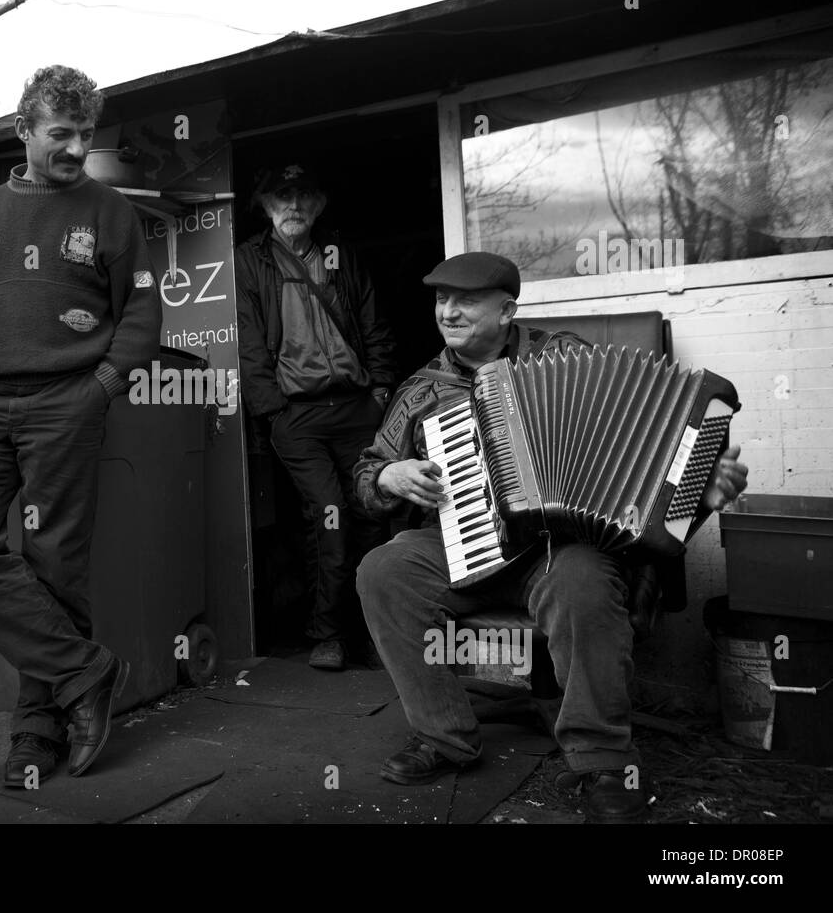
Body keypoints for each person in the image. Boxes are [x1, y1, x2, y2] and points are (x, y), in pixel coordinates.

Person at [353, 251, 748, 822]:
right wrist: (388, 476)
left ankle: (602, 760)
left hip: (557, 550)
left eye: (465, 299)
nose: (449, 310)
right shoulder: (419, 390)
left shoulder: (565, 357)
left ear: (507, 310)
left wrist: (700, 488)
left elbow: (648, 463)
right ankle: (444, 738)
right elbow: (366, 477)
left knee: (581, 579)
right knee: (382, 571)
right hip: (464, 547)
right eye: (441, 299)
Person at [0, 65, 162, 787]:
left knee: (56, 562)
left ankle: (34, 735)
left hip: (67, 400)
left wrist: (102, 384)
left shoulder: (110, 211)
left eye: (85, 134)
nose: (75, 147)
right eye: (60, 133)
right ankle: (85, 670)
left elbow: (143, 310)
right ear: (24, 131)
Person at [236, 164, 397, 671]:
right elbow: (247, 342)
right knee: (329, 514)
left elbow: (374, 323)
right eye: (282, 195)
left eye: (304, 194)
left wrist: (381, 390)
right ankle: (327, 633)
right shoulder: (248, 260)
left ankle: (373, 631)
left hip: (356, 408)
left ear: (320, 204)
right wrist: (274, 412)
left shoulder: (339, 253)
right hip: (298, 415)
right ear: (264, 205)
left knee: (373, 512)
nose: (294, 205)